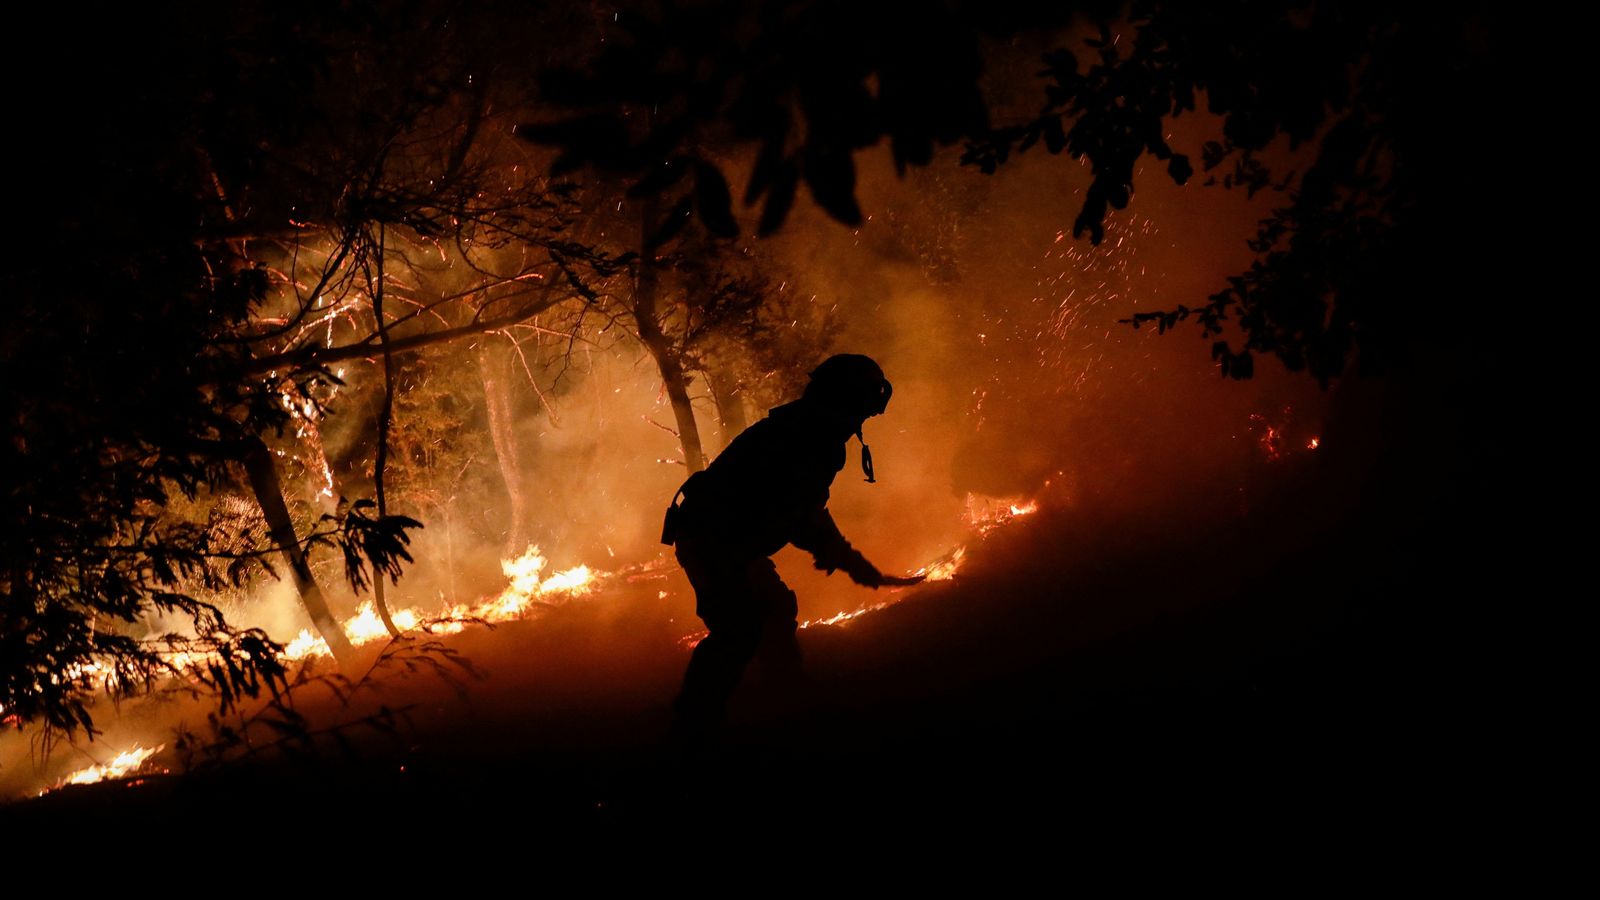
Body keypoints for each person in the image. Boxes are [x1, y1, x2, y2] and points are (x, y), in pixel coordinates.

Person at [661, 353, 920, 740]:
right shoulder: (808, 438)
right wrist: (848, 560)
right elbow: (801, 513)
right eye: (863, 409)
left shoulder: (807, 429)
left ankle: (785, 704)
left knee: (775, 610)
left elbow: (804, 511)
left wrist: (840, 556)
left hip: (730, 540)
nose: (863, 420)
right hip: (712, 539)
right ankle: (694, 725)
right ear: (846, 399)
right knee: (740, 628)